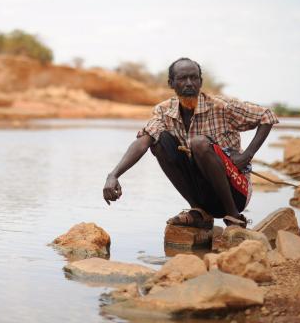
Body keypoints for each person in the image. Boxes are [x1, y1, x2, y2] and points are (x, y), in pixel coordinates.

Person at [102, 58, 278, 228]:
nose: (189, 83)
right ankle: (199, 212)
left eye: (194, 78)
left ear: (200, 82)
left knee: (199, 143)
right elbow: (143, 141)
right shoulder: (164, 110)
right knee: (159, 141)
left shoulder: (222, 106)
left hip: (234, 193)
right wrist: (114, 175)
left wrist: (247, 155)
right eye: (182, 78)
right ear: (171, 83)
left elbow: (267, 116)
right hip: (200, 193)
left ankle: (234, 218)